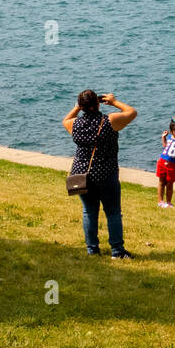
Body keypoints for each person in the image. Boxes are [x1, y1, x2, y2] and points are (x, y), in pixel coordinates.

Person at [63, 90, 137, 257]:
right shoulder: (110, 121)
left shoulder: (74, 124)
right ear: (98, 103)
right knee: (112, 212)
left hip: (82, 175)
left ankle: (92, 249)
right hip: (106, 174)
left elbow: (65, 119)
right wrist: (114, 102)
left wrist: (76, 107)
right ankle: (117, 250)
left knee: (89, 211)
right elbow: (132, 112)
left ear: (81, 107)